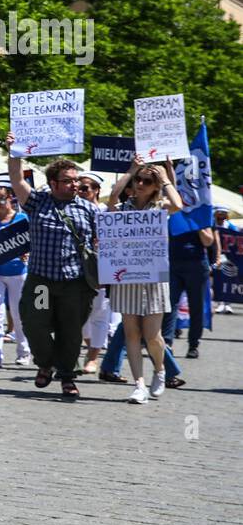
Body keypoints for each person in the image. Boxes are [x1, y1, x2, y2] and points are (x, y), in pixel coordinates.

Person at [6, 134, 99, 398]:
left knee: (71, 332)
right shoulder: (37, 202)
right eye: (68, 181)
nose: (74, 185)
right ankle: (45, 363)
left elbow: (102, 242)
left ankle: (67, 376)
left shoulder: (89, 209)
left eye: (76, 180)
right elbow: (16, 179)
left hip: (75, 283)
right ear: (53, 183)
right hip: (42, 281)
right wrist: (14, 151)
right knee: (35, 323)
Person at [106, 156, 183, 403]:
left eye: (147, 181)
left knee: (152, 335)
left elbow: (178, 205)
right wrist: (131, 169)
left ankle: (159, 370)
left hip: (153, 278)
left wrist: (165, 179)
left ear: (154, 186)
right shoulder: (124, 209)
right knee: (131, 332)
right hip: (126, 276)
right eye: (139, 179)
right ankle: (139, 384)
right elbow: (110, 200)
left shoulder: (159, 209)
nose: (140, 184)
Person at [0, 174, 32, 370]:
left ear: (11, 198)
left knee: (19, 314)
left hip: (18, 272)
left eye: (1, 198)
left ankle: (24, 351)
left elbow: (31, 242)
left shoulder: (22, 218)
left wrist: (28, 254)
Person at [75, 171, 117, 377]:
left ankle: (93, 356)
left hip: (100, 267)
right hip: (74, 268)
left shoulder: (105, 212)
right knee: (77, 315)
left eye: (85, 188)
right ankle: (91, 346)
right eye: (78, 187)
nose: (80, 191)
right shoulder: (71, 209)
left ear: (96, 191)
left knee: (99, 314)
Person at [161, 204, 215, 362]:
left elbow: (208, 241)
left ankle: (193, 344)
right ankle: (167, 343)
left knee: (196, 306)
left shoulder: (202, 211)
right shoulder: (170, 210)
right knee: (170, 305)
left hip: (196, 265)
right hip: (173, 264)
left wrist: (197, 224)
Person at [213, 207, 240, 315]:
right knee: (218, 278)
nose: (221, 216)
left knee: (229, 279)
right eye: (220, 213)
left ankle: (228, 304)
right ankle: (220, 303)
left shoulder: (230, 226)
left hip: (228, 257)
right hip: (215, 255)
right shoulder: (211, 225)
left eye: (224, 214)